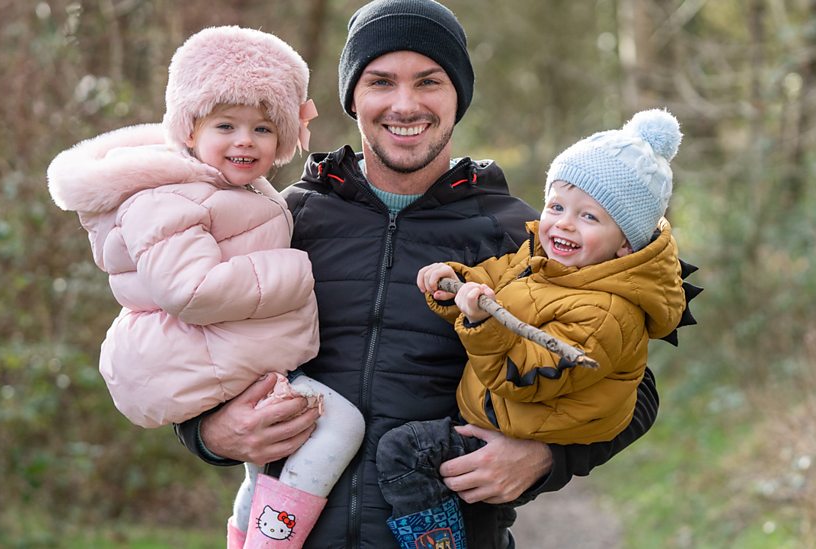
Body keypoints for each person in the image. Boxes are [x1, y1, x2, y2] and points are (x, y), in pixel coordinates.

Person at [174, 1, 698, 547]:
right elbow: (180, 347)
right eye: (380, 81)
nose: (405, 104)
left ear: (458, 97)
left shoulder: (519, 236)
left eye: (429, 81)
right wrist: (209, 431)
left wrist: (547, 458)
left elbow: (630, 387)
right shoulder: (282, 217)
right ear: (352, 96)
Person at [46, 26, 365, 549]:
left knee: (273, 452)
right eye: (226, 124)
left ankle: (244, 536)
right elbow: (188, 290)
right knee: (340, 423)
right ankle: (271, 542)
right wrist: (297, 272)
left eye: (263, 128)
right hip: (191, 355)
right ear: (189, 129)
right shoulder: (168, 194)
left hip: (230, 354)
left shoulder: (231, 187)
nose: (245, 140)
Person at [376, 109, 688, 548]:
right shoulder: (537, 261)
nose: (562, 223)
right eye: (557, 206)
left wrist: (480, 320)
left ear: (626, 243)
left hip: (512, 423)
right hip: (488, 418)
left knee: (405, 452)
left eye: (589, 217)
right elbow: (492, 278)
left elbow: (526, 375)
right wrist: (455, 282)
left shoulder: (607, 311)